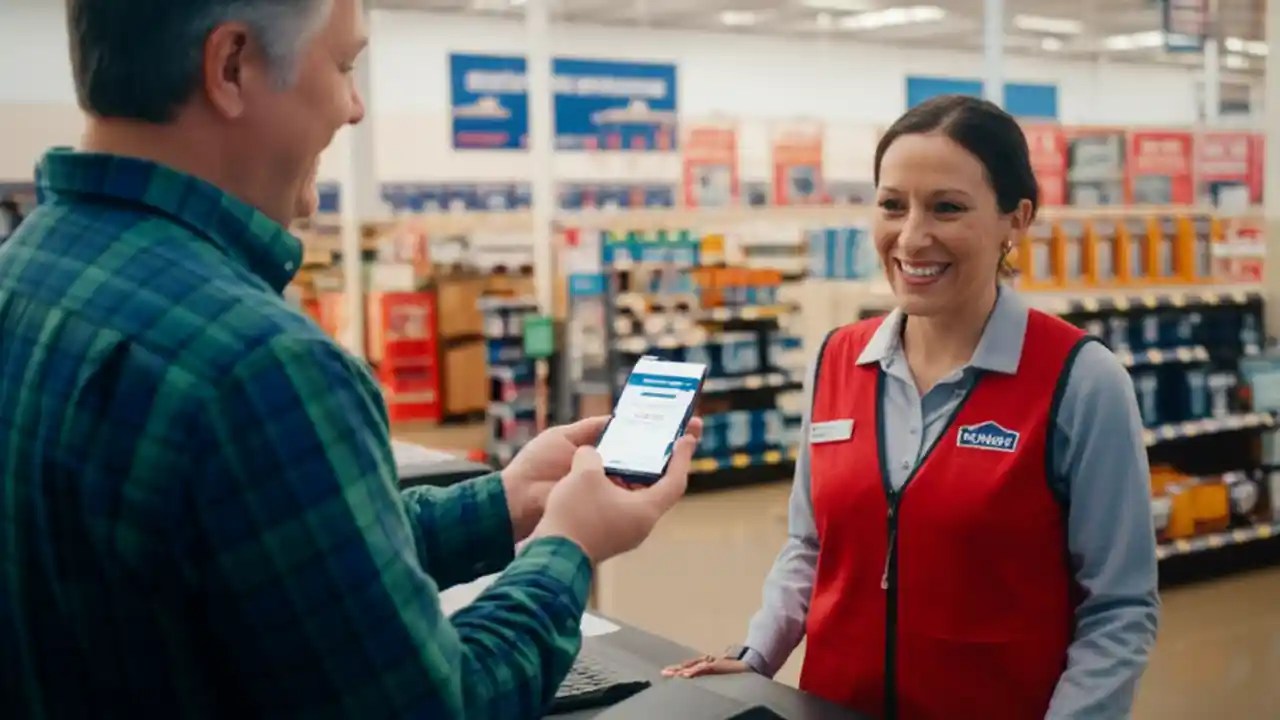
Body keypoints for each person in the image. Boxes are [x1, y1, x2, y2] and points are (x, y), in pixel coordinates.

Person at [0, 1, 698, 717]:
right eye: (342, 66)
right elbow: (435, 704)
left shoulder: (24, 272)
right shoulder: (261, 367)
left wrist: (506, 503)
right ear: (231, 67)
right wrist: (569, 545)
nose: (355, 108)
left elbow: (287, 561)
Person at [665, 94, 1161, 719]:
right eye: (892, 205)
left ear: (1017, 218)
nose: (912, 236)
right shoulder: (838, 359)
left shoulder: (1079, 381)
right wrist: (757, 652)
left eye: (947, 208)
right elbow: (811, 547)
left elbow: (1119, 607)